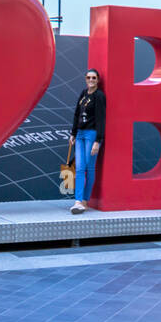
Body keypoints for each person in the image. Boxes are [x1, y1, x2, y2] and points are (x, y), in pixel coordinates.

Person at [67, 68, 105, 214]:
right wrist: (73, 133)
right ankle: (78, 201)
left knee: (89, 168)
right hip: (80, 134)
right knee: (80, 167)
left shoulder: (99, 96)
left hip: (91, 134)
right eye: (89, 77)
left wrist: (98, 141)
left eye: (94, 78)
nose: (91, 80)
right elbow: (77, 113)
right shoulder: (83, 93)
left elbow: (101, 119)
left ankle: (84, 201)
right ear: (85, 79)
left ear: (98, 80)